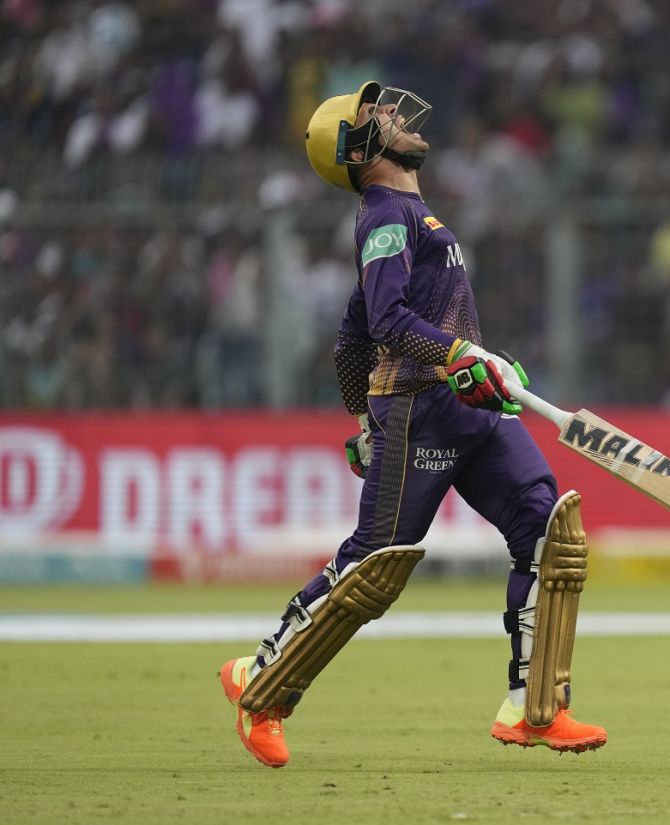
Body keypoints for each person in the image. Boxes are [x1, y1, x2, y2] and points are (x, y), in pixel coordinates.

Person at [217, 81, 606, 768]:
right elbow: (391, 322)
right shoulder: (386, 214)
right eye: (378, 115)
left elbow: (351, 338)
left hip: (472, 409)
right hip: (422, 410)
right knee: (374, 566)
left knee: (548, 530)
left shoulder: (412, 217)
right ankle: (261, 682)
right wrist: (446, 363)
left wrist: (447, 373)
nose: (395, 114)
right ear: (357, 149)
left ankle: (534, 707)